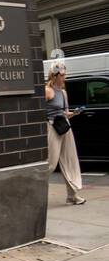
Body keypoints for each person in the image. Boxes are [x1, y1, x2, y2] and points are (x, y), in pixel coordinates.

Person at [46, 61, 87, 206]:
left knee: (71, 161)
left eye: (65, 74)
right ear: (54, 75)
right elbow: (39, 110)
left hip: (65, 126)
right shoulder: (48, 91)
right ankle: (32, 192)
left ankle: (72, 196)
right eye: (62, 75)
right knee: (51, 162)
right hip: (52, 127)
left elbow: (65, 113)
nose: (64, 77)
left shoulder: (63, 93)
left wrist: (74, 113)